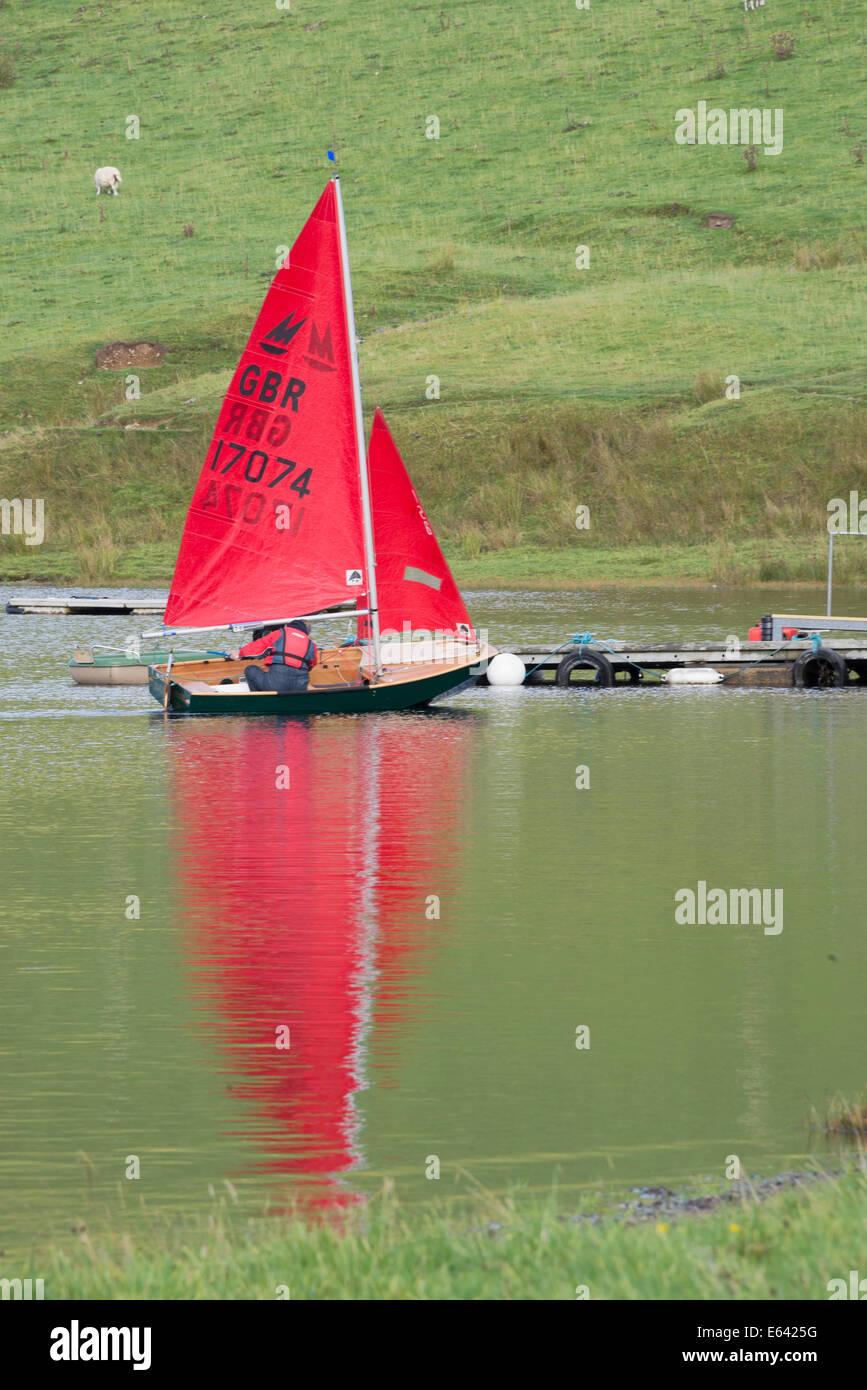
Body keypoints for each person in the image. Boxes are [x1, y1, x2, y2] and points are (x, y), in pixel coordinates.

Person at [231, 620, 318, 693]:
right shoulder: (312, 644)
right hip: (300, 689)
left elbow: (256, 647)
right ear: (307, 632)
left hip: (276, 686)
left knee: (250, 669)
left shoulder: (279, 633)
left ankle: (262, 701)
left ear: (288, 626)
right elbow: (310, 666)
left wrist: (239, 654)